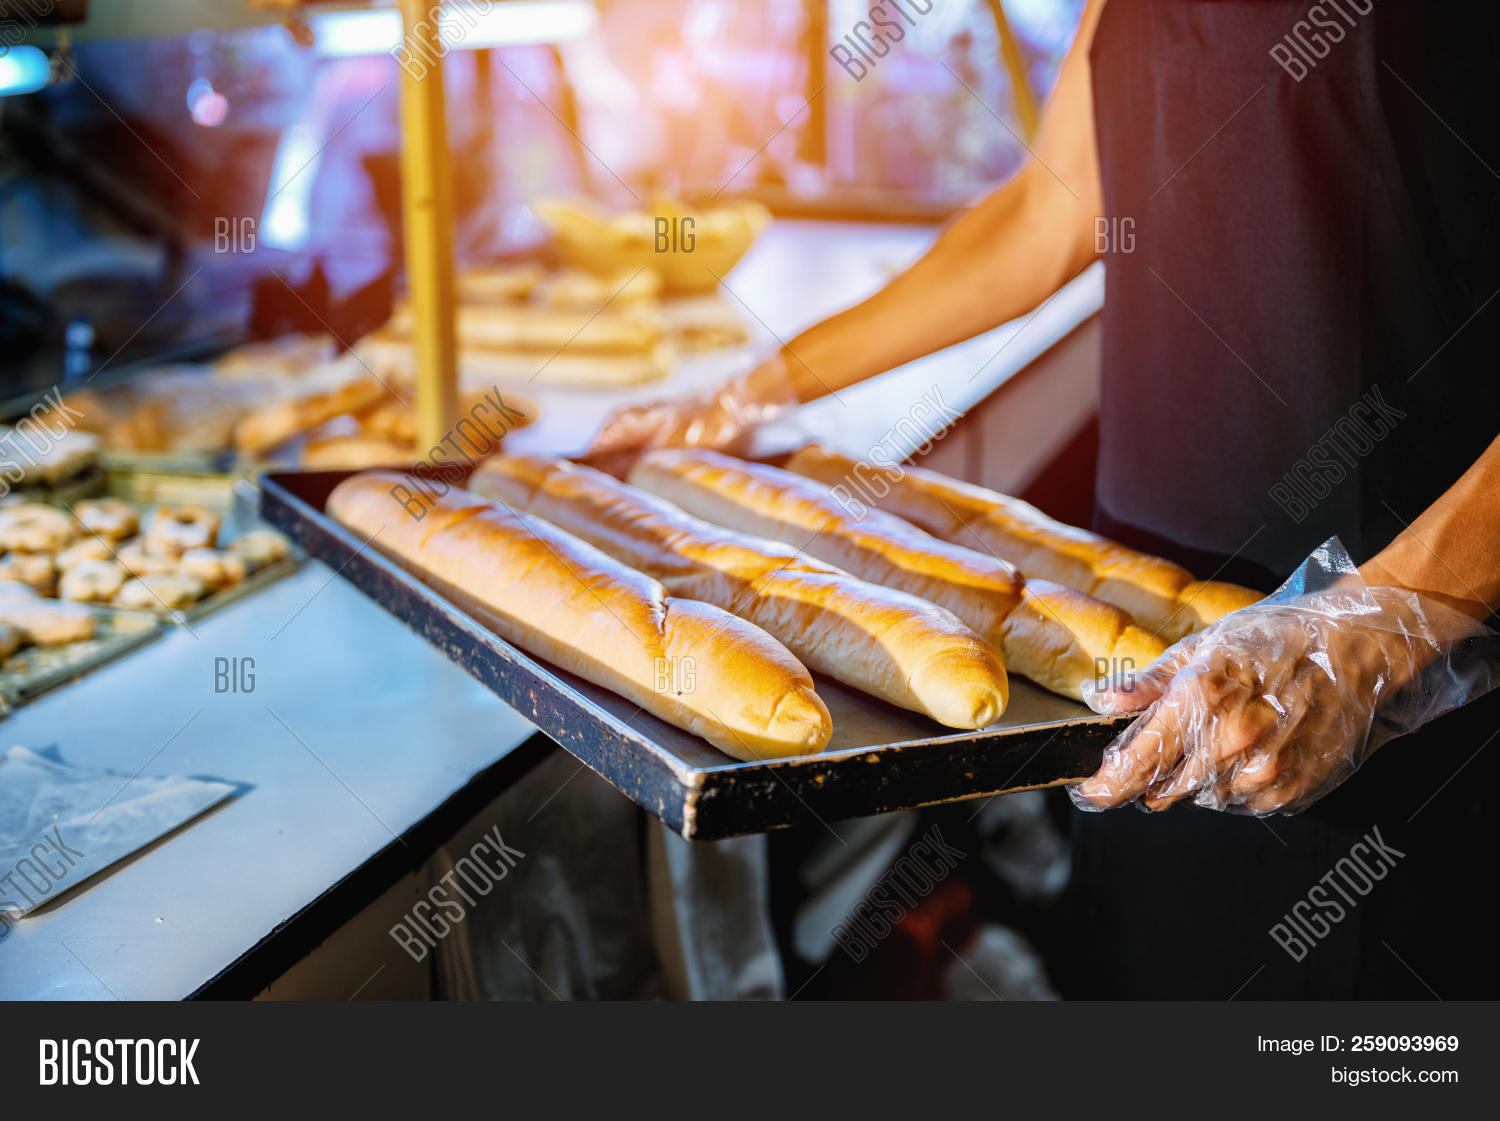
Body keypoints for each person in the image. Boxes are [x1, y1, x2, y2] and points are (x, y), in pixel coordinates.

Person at [588, 0, 1500, 998]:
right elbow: (1048, 215)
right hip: (1156, 631)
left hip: (1411, 637)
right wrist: (760, 385)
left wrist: (1384, 626)